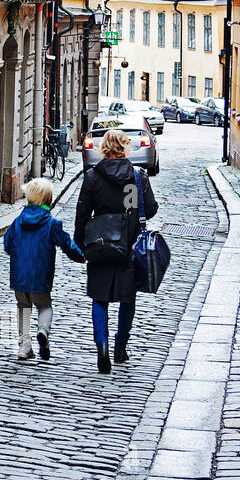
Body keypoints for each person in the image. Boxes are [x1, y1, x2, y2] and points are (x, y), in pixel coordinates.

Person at [73, 128, 158, 374]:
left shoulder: (92, 177)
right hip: (128, 245)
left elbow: (82, 214)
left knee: (100, 299)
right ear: (124, 147)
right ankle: (120, 346)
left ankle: (102, 345)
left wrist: (81, 246)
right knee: (127, 298)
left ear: (104, 148)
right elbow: (149, 210)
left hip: (99, 245)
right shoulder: (137, 176)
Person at [3, 177, 86, 361]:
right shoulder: (52, 224)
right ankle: (43, 331)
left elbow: (7, 243)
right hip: (41, 278)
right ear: (49, 200)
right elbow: (67, 244)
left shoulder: (18, 221)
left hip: (19, 278)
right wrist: (80, 256)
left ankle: (24, 346)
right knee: (44, 306)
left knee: (23, 308)